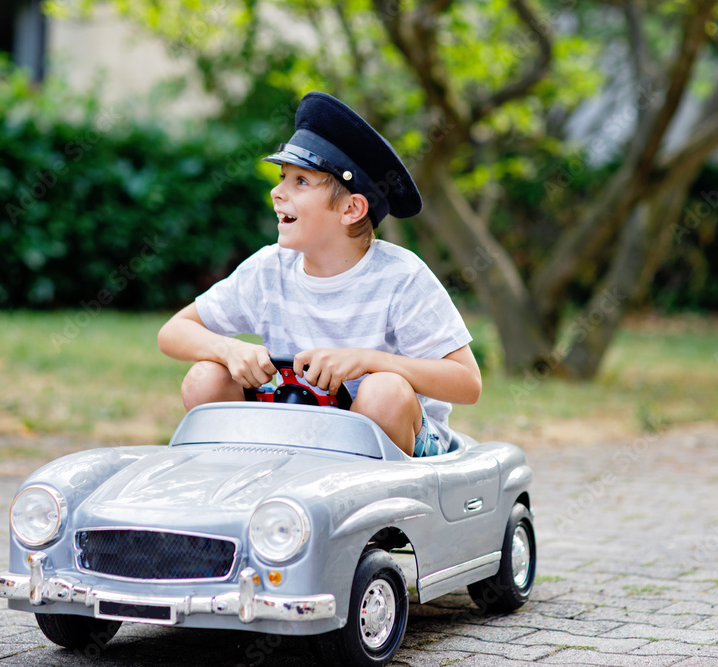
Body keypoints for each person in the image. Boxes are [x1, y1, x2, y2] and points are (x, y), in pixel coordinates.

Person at [157, 92, 481, 457]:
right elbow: (173, 332)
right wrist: (228, 349)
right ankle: (233, 489)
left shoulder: (402, 278)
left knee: (384, 390)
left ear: (351, 209)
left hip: (397, 445)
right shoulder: (269, 268)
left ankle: (374, 509)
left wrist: (369, 360)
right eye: (283, 178)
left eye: (301, 182)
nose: (277, 191)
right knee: (207, 376)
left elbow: (468, 383)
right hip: (293, 432)